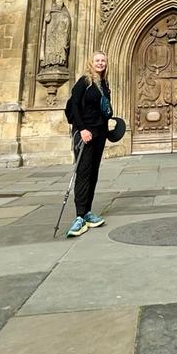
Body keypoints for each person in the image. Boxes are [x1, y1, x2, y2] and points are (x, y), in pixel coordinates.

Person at [65, 51, 112, 237]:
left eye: (103, 60)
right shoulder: (84, 82)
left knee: (93, 172)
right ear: (90, 63)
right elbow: (74, 106)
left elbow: (104, 107)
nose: (100, 63)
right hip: (85, 134)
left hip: (99, 133)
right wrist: (82, 129)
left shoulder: (103, 84)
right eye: (97, 61)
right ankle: (79, 216)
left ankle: (88, 212)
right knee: (83, 172)